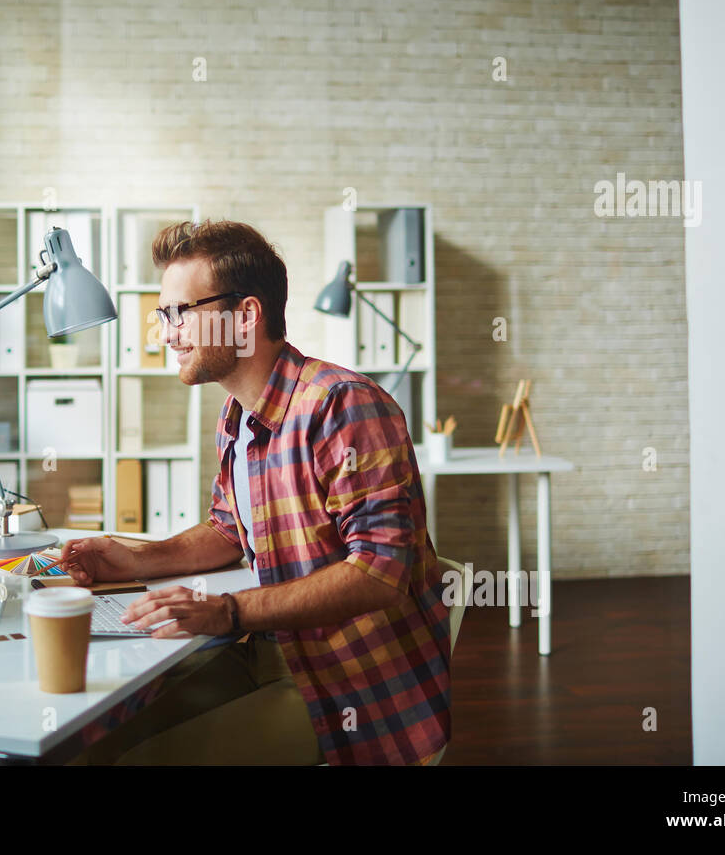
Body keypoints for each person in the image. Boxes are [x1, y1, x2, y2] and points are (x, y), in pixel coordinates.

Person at [61, 220, 451, 765]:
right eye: (163, 315)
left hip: (355, 688)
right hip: (273, 653)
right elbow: (228, 528)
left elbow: (380, 572)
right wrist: (135, 560)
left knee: (132, 759)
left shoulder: (343, 407)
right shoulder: (236, 414)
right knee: (89, 738)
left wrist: (228, 611)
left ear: (245, 316)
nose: (166, 333)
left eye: (180, 313)